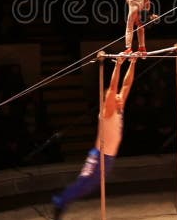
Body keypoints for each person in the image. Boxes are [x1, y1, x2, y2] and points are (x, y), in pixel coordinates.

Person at [51, 56, 137, 219]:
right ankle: (59, 201)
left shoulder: (119, 108)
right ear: (108, 102)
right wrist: (118, 65)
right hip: (100, 157)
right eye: (116, 97)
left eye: (120, 97)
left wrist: (133, 62)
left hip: (108, 157)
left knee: (88, 186)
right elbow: (113, 88)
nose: (120, 97)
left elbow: (127, 84)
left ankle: (61, 200)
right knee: (84, 184)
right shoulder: (107, 112)